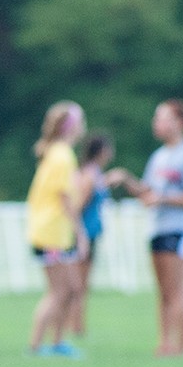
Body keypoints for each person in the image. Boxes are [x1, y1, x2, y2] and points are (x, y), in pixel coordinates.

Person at [115, 99, 183, 357]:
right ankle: (164, 343)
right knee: (164, 291)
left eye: (162, 118)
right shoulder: (158, 157)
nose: (156, 123)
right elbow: (148, 192)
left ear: (179, 123)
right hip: (157, 229)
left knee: (177, 288)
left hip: (178, 230)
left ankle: (182, 346)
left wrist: (165, 199)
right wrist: (125, 179)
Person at [25, 100, 88, 358]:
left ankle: (57, 341)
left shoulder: (55, 152)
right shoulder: (63, 155)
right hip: (50, 233)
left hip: (54, 233)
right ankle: (36, 345)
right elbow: (64, 199)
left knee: (72, 288)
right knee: (59, 290)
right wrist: (81, 232)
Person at [67, 132, 117, 338]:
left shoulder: (95, 173)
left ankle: (78, 325)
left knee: (83, 284)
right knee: (78, 284)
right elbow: (79, 205)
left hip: (92, 233)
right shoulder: (89, 175)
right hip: (85, 234)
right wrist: (80, 235)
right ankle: (75, 327)